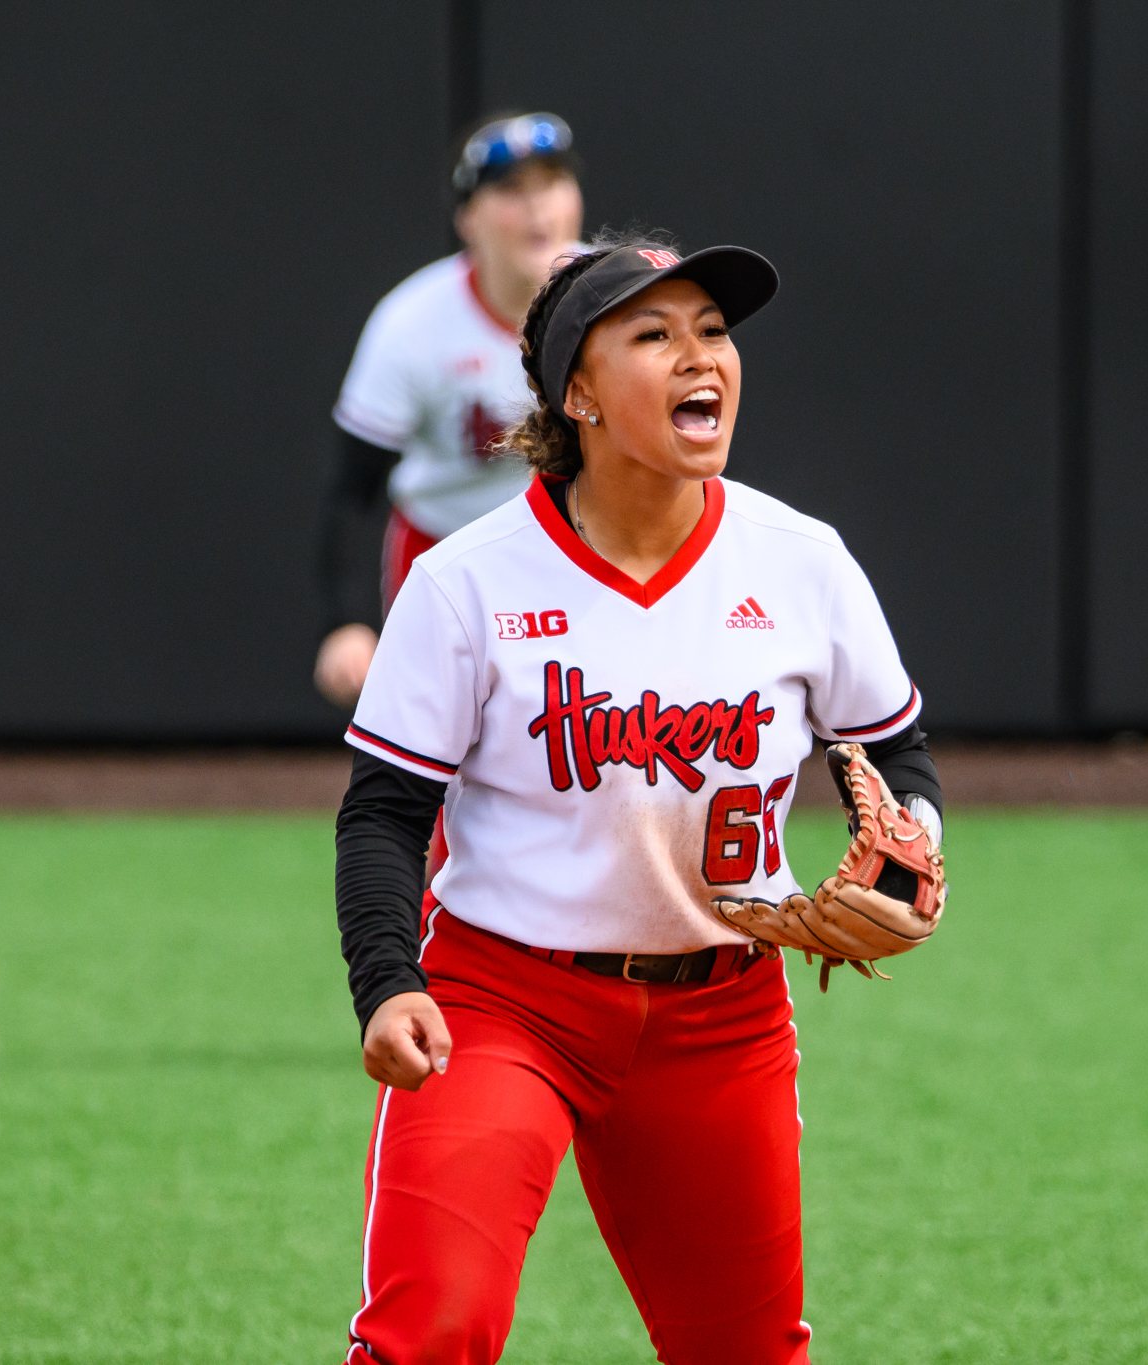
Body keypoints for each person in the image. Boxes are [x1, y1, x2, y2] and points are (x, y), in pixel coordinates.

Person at [331, 232, 945, 1364]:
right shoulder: (466, 582)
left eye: (712, 332)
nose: (698, 356)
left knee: (745, 1354)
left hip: (723, 1017)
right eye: (652, 335)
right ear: (578, 393)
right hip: (504, 1002)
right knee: (432, 1329)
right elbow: (382, 813)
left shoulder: (799, 562)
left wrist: (911, 850)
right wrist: (384, 982)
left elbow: (893, 751)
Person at [314, 111, 585, 708]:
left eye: (552, 183)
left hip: (582, 558)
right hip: (445, 561)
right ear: (468, 219)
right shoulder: (413, 323)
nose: (539, 208)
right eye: (512, 190)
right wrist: (347, 622)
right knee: (442, 768)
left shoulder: (620, 302)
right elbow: (353, 491)